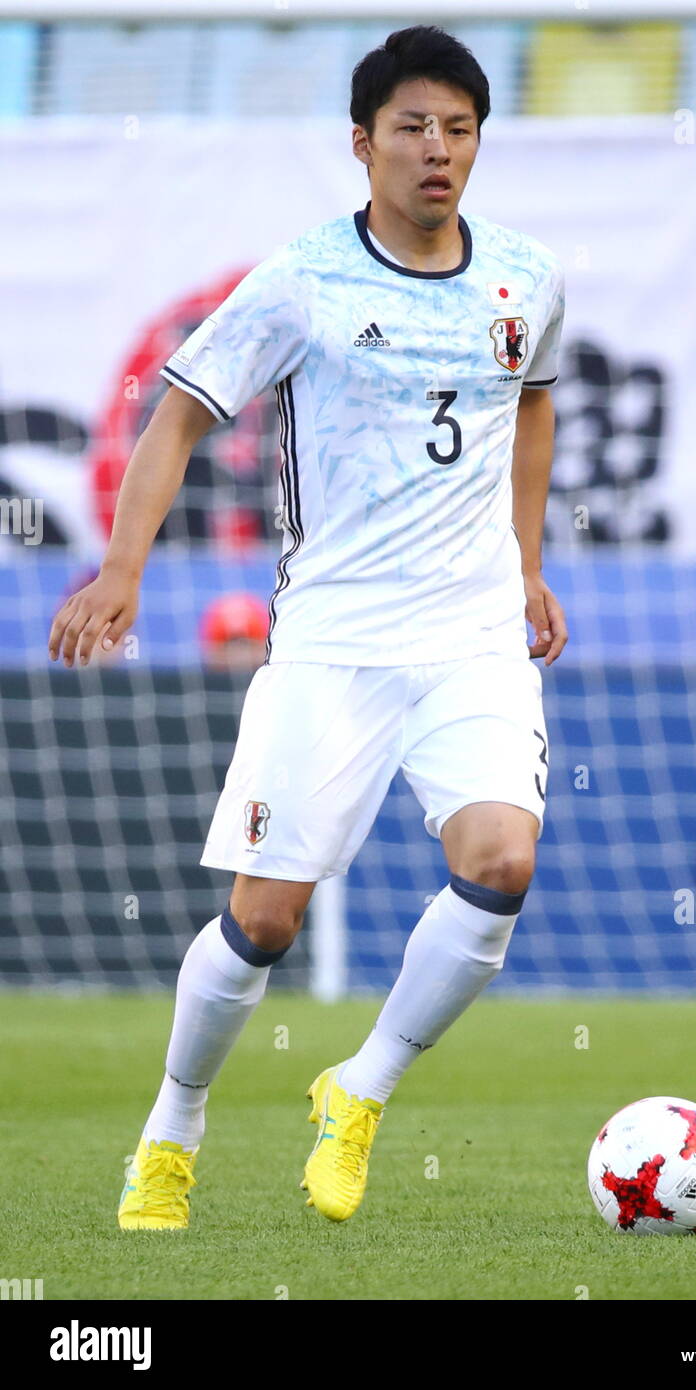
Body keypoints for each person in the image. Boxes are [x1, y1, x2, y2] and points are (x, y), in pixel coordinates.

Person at [48, 24, 568, 1229]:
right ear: (362, 144)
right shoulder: (302, 280)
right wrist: (123, 568)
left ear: (478, 144)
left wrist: (526, 567)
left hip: (472, 633)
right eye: (411, 128)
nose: (436, 151)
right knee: (265, 919)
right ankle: (171, 1127)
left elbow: (531, 407)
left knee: (500, 861)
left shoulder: (526, 278)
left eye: (458, 129)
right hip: (332, 639)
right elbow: (178, 411)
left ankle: (360, 1086)